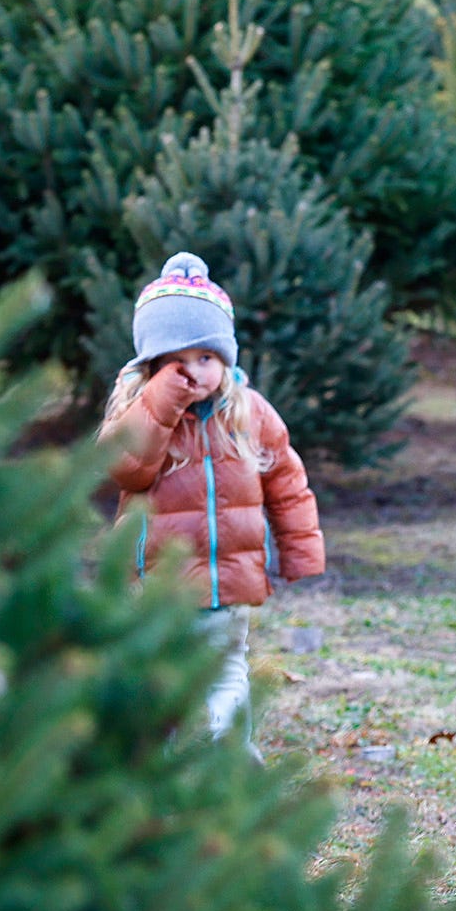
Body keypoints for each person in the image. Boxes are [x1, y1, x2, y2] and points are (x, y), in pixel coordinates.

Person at [100, 252, 325, 753]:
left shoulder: (248, 411)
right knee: (159, 680)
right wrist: (161, 402)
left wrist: (300, 551)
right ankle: (155, 763)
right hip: (158, 585)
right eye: (180, 361)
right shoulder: (141, 411)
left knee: (227, 674)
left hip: (228, 583)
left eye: (208, 358)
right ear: (153, 364)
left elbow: (288, 483)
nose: (197, 372)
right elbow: (125, 468)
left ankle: (232, 761)